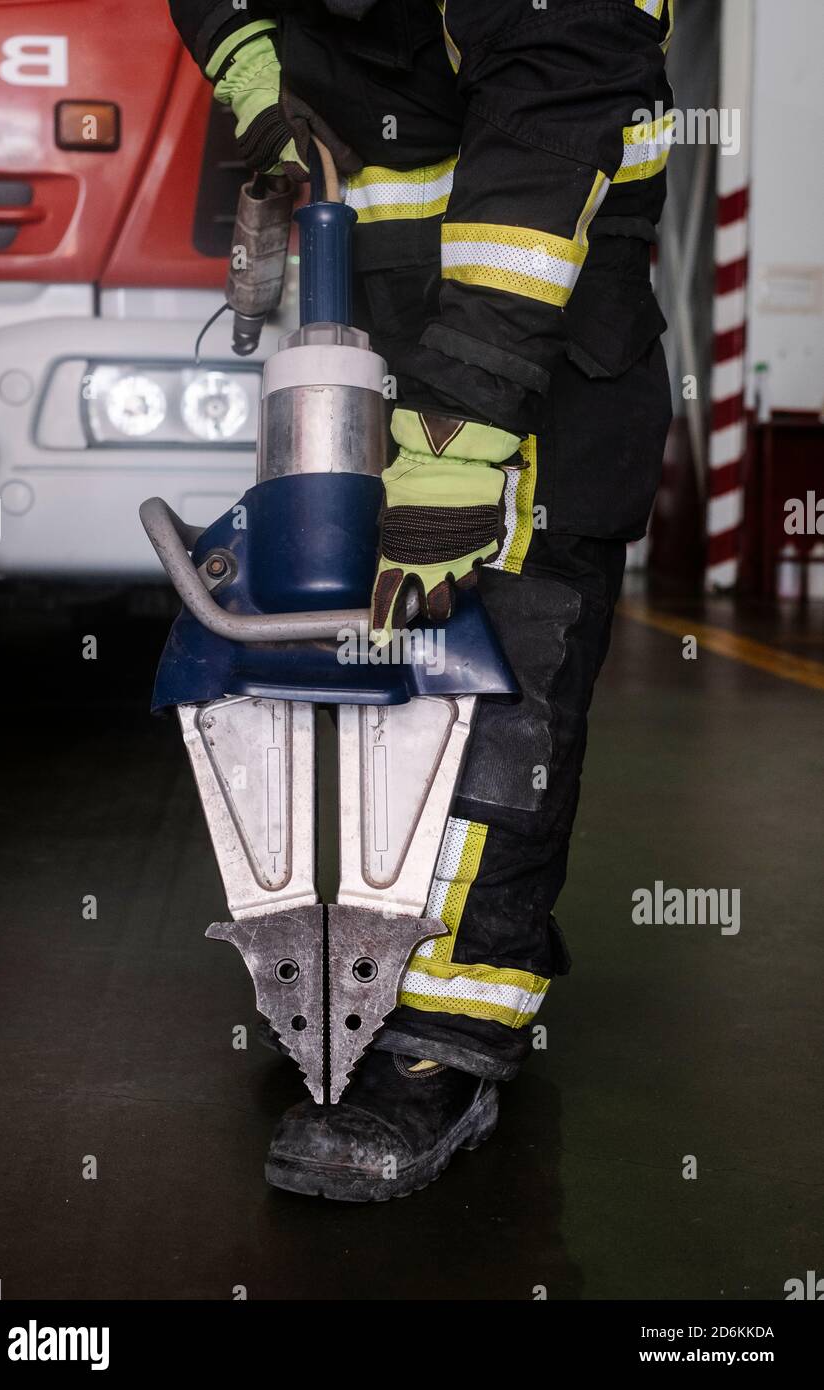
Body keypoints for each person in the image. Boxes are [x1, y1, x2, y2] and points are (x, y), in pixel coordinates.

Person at [168, 0, 675, 1201]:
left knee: (497, 669)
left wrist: (460, 431)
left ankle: (444, 1031)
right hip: (369, 318)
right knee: (351, 666)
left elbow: (557, 119)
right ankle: (355, 975)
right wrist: (253, 65)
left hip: (536, 331)